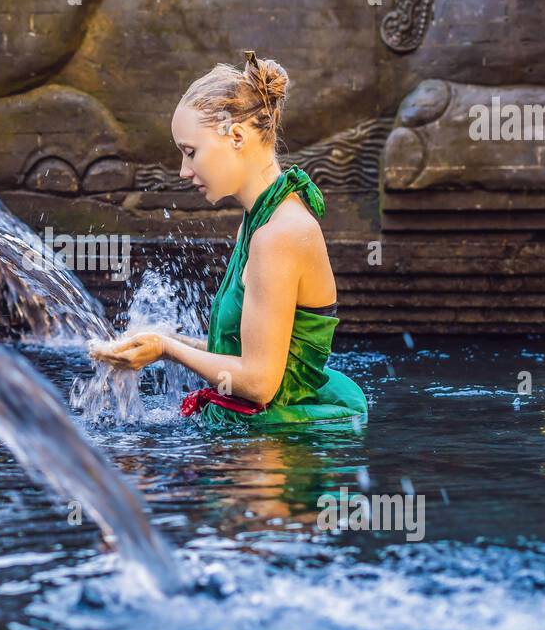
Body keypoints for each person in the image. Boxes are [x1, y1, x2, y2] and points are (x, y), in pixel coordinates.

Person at [90, 51, 368, 430]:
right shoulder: (258, 222)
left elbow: (258, 383)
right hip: (261, 437)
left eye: (191, 153)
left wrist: (168, 349)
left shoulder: (279, 235)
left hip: (278, 450)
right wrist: (166, 341)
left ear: (236, 136)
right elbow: (243, 356)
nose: (184, 171)